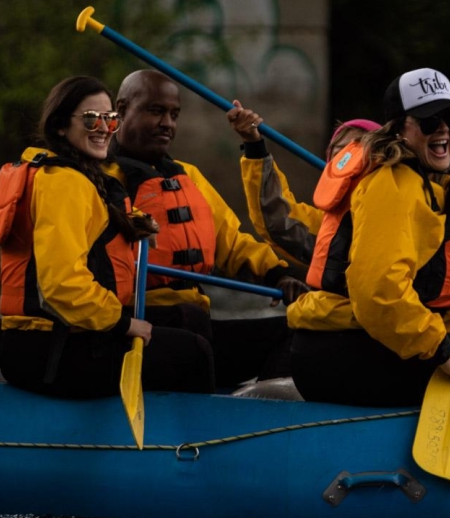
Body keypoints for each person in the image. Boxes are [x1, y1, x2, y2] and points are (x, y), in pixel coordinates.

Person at [287, 67, 450, 407]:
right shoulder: (389, 185)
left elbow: (429, 225)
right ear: (400, 129)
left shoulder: (419, 178)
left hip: (366, 337)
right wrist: (444, 351)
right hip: (338, 353)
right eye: (429, 121)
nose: (444, 129)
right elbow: (378, 294)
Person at [0, 75, 215, 397]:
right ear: (60, 126)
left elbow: (104, 213)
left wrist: (138, 226)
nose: (103, 128)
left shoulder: (81, 175)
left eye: (110, 118)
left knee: (187, 315)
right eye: (90, 119)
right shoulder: (63, 185)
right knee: (192, 351)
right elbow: (61, 285)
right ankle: (198, 442)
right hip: (47, 349)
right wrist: (124, 324)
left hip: (59, 336)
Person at [107, 69, 309, 389]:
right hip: (135, 328)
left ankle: (251, 416)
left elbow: (233, 241)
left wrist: (278, 275)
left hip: (195, 325)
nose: (167, 124)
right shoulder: (100, 178)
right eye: (155, 111)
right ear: (120, 110)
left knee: (298, 331)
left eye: (174, 114)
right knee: (191, 326)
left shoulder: (188, 176)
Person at [226, 99, 381, 271]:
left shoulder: (403, 210)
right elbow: (278, 221)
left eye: (360, 152)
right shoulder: (328, 227)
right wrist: (253, 144)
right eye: (341, 151)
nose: (350, 159)